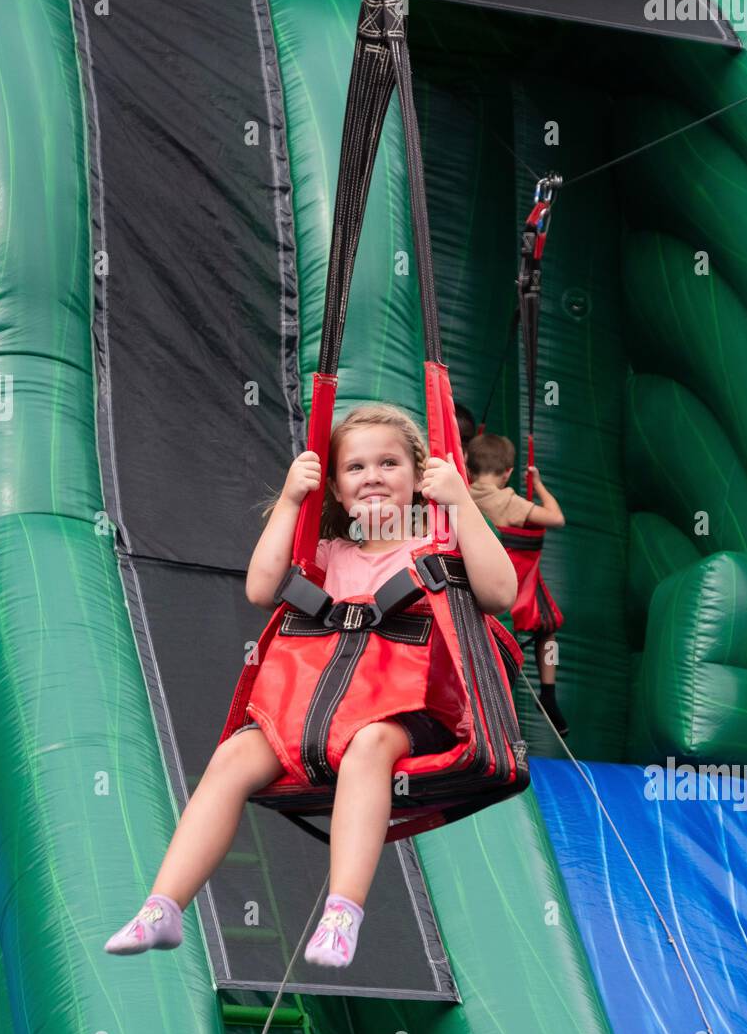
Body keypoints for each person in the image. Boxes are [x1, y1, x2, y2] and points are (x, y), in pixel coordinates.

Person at [104, 403, 518, 969]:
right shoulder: (326, 555)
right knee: (231, 757)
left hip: (408, 715)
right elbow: (261, 587)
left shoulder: (438, 546)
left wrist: (462, 501)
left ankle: (343, 911)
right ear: (338, 492)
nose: (372, 475)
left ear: (419, 479)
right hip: (315, 719)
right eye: (355, 468)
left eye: (389, 463)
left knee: (370, 745)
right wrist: (293, 500)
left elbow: (499, 593)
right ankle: (165, 906)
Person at [466, 432, 568, 737]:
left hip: (471, 593)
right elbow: (556, 518)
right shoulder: (511, 503)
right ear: (508, 472)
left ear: (468, 469)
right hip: (515, 599)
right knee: (548, 629)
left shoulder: (463, 496)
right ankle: (548, 692)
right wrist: (538, 486)